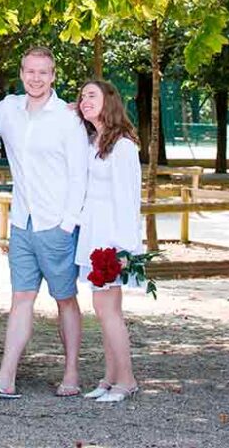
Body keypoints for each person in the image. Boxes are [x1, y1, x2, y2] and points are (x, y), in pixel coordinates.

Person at [0, 47, 90, 399]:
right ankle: (6, 378)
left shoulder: (68, 118)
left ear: (53, 76)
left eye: (43, 72)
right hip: (22, 222)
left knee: (65, 299)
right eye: (30, 72)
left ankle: (72, 373)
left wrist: (67, 225)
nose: (36, 78)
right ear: (21, 73)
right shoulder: (10, 109)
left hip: (56, 224)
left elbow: (80, 176)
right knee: (21, 298)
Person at [72, 79, 144, 403]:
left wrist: (124, 250)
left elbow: (128, 202)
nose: (84, 100)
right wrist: (75, 109)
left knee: (109, 310)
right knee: (102, 310)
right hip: (92, 233)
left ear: (109, 101)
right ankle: (109, 376)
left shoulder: (123, 146)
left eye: (92, 95)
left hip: (111, 238)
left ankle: (126, 380)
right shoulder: (92, 142)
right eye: (82, 96)